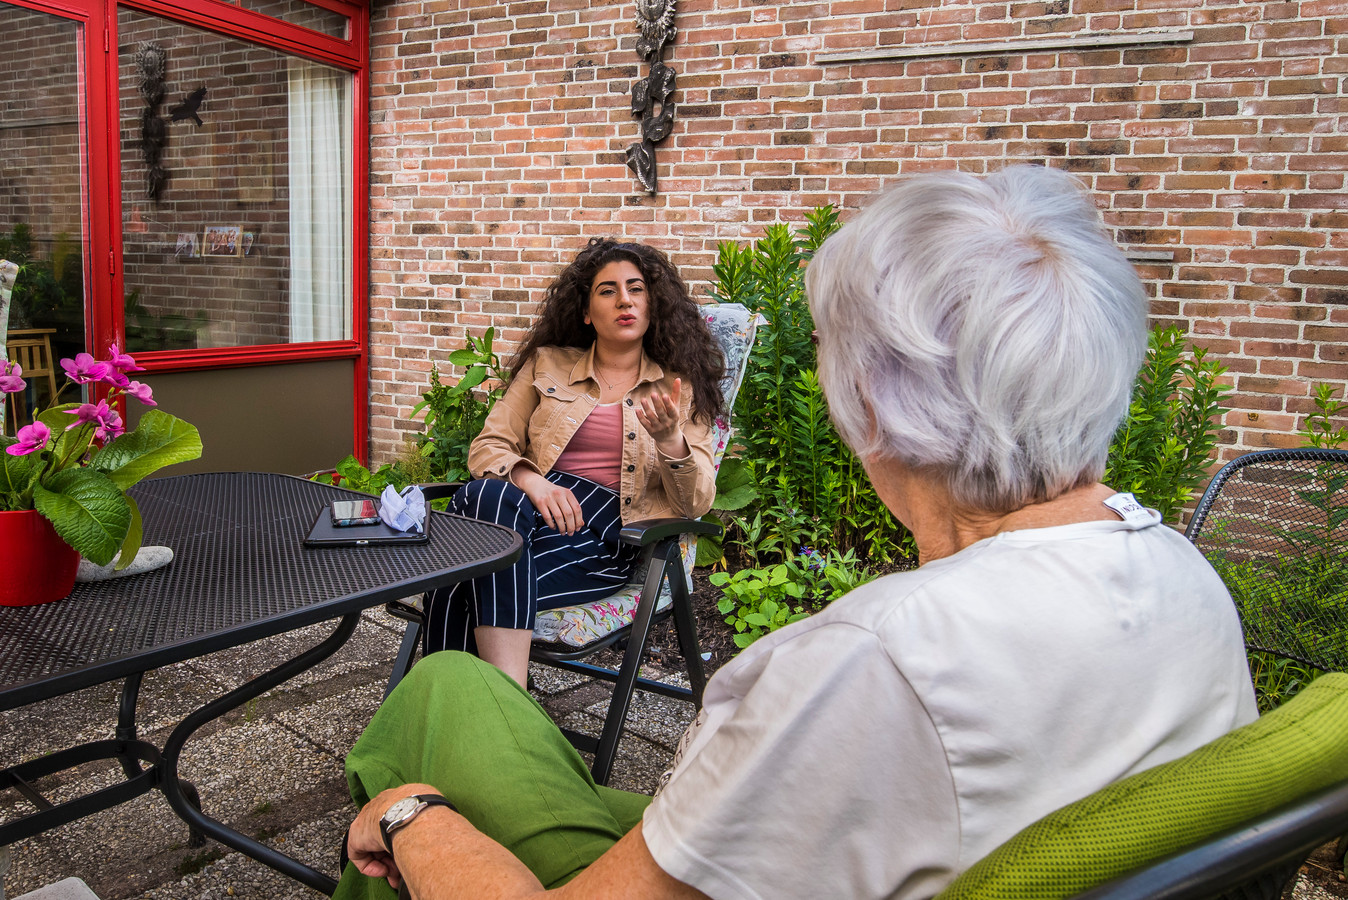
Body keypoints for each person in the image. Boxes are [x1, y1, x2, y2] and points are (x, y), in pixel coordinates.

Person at [337, 166, 1258, 900]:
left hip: (618, 560)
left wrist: (416, 819)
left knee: (429, 718)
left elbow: (685, 501)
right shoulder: (1188, 581)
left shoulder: (865, 665)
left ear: (870, 404)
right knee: (464, 623)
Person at [421, 238, 725, 687]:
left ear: (651, 303)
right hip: (528, 510)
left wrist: (669, 439)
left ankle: (462, 716)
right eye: (607, 290)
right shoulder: (547, 365)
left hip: (603, 535)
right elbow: (489, 448)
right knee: (486, 494)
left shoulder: (677, 387)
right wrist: (533, 483)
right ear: (586, 311)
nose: (624, 299)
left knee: (460, 578)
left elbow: (695, 502)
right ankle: (508, 711)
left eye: (636, 288)